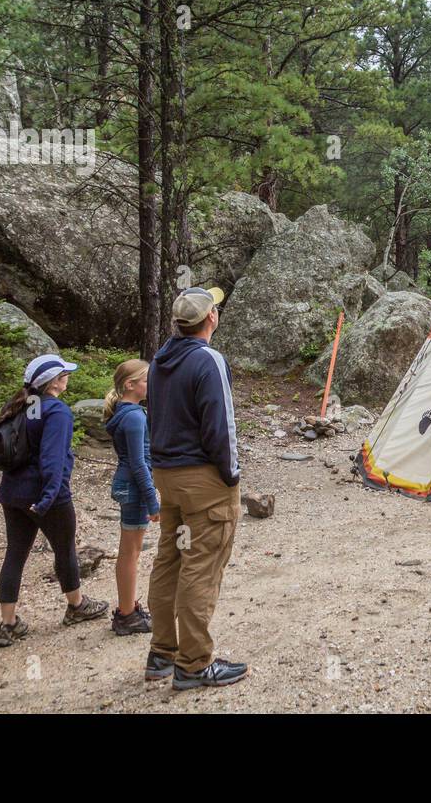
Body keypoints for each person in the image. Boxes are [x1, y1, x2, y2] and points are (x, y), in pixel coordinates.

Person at [0, 354, 108, 647]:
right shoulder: (57, 412)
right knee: (64, 550)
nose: (68, 377)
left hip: (12, 494)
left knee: (15, 554)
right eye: (65, 373)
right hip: (47, 497)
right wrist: (51, 494)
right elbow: (53, 458)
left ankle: (8, 624)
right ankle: (76, 606)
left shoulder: (18, 406)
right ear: (54, 381)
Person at [144, 287, 247, 690]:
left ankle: (162, 652)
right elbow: (220, 424)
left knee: (171, 559)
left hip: (167, 476)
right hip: (203, 479)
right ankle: (194, 663)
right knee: (201, 566)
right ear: (211, 319)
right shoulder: (208, 360)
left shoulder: (159, 361)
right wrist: (231, 474)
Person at [103, 359, 159, 636]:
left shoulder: (127, 413)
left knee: (129, 550)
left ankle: (128, 608)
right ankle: (127, 613)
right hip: (135, 487)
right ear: (130, 385)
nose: (151, 385)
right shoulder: (135, 416)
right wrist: (152, 499)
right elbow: (139, 463)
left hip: (127, 484)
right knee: (131, 552)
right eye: (147, 380)